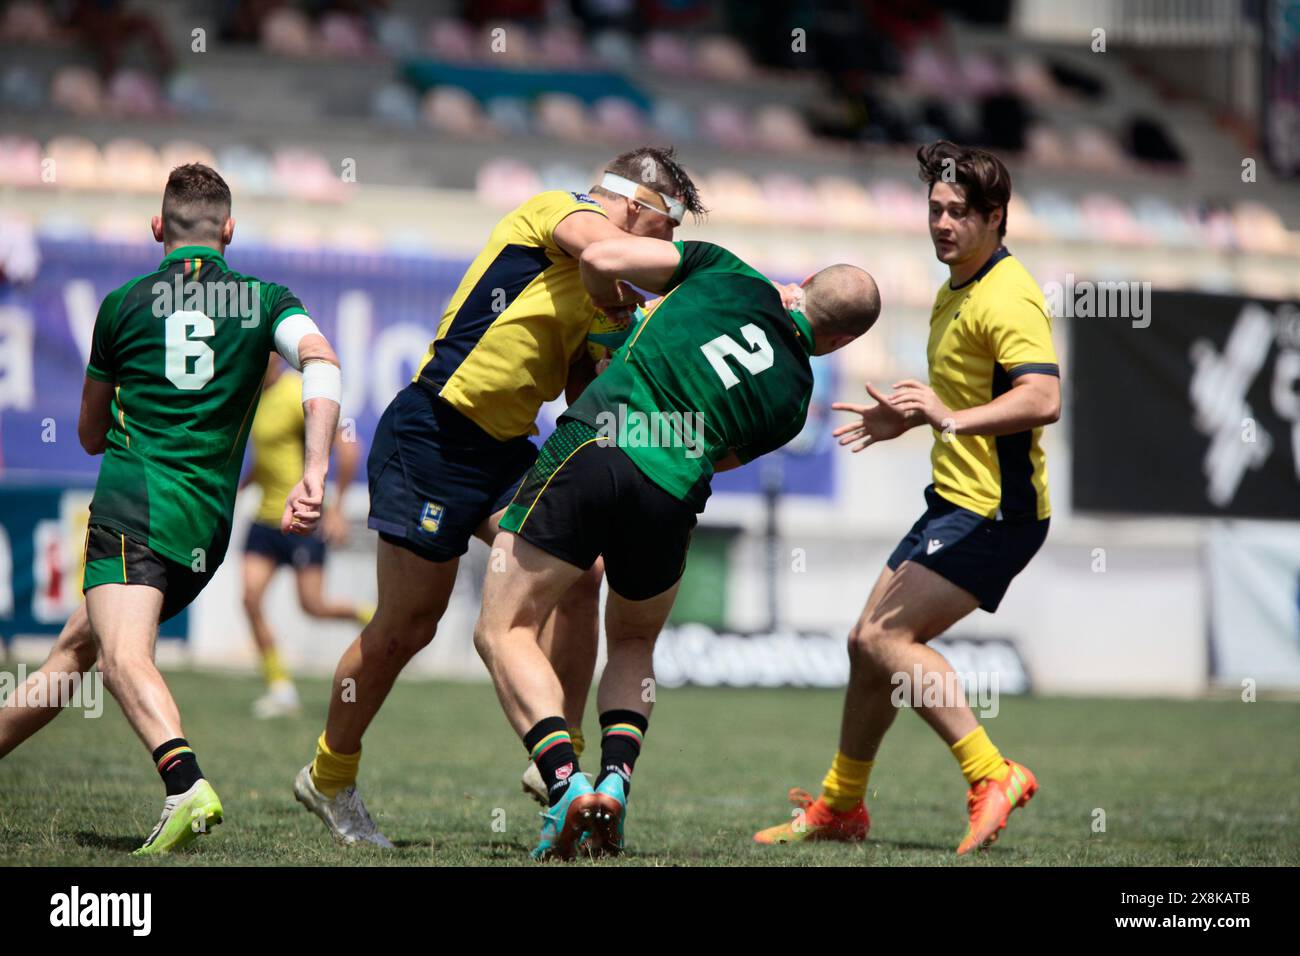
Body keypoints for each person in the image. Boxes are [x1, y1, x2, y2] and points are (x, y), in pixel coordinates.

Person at [292, 147, 706, 847]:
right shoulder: (559, 211)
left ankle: (560, 761)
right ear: (637, 208)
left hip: (505, 452)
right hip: (432, 434)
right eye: (667, 231)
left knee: (585, 575)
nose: (664, 249)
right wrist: (709, 277)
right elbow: (602, 249)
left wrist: (619, 352)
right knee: (407, 629)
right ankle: (328, 775)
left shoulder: (610, 295)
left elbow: (585, 395)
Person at [474, 235, 881, 860]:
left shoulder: (727, 270)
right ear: (841, 341)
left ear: (798, 283)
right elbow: (721, 456)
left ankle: (563, 782)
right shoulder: (796, 401)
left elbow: (600, 260)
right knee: (634, 642)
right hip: (672, 491)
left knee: (504, 629)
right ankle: (615, 779)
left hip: (597, 443)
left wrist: (622, 315)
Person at [10, 163, 341, 855]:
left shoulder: (123, 305)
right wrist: (316, 473)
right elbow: (322, 362)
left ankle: (184, 782)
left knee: (123, 657)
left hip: (133, 507)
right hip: (206, 529)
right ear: (229, 231)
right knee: (77, 649)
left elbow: (90, 434)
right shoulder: (265, 300)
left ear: (157, 228)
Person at [753, 140, 1061, 855]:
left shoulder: (1007, 294)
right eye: (935, 209)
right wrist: (912, 417)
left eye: (959, 212)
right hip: (957, 500)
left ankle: (994, 774)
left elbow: (1043, 397)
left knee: (885, 638)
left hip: (995, 510)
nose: (943, 223)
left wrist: (947, 417)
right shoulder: (959, 288)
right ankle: (840, 806)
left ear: (996, 217)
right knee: (867, 650)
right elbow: (967, 397)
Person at [241, 355, 371, 718]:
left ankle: (375, 617)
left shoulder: (299, 392)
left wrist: (337, 508)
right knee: (250, 599)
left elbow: (349, 449)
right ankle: (280, 688)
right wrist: (235, 490)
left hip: (301, 517)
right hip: (264, 519)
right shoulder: (255, 398)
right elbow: (264, 458)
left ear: (276, 358)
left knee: (312, 605)